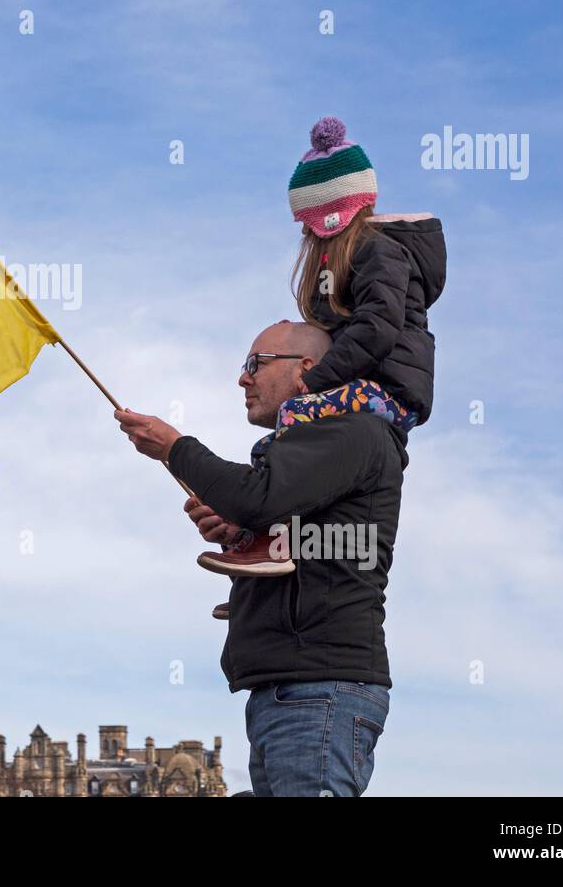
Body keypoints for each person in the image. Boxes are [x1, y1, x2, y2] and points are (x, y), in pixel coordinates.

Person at [114, 319, 407, 796]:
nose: (243, 379)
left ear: (305, 370)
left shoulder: (347, 431)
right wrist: (239, 535)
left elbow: (259, 497)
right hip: (292, 692)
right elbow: (301, 541)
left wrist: (175, 449)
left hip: (316, 690)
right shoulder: (321, 443)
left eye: (256, 364)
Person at [202, 117, 445, 609]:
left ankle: (266, 545)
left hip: (390, 390)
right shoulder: (343, 261)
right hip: (366, 384)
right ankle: (261, 565)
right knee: (300, 454)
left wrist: (312, 379)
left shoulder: (380, 252)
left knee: (295, 418)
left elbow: (377, 329)